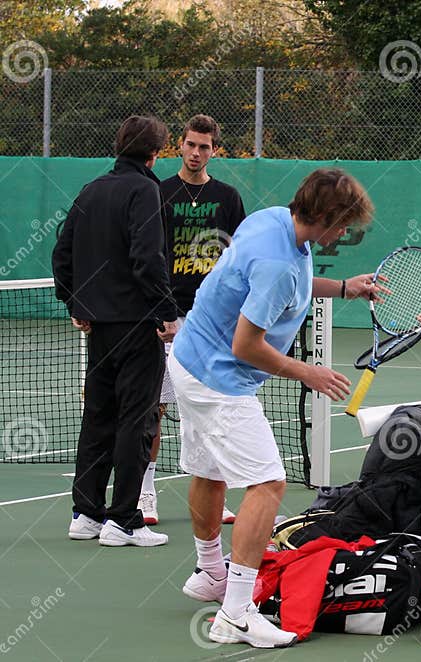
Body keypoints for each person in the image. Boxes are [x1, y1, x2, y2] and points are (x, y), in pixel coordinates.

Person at [170, 168, 378, 649]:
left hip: (186, 358)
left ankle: (209, 573)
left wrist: (345, 287)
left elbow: (295, 283)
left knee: (210, 469)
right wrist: (309, 372)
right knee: (268, 482)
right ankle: (235, 613)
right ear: (323, 216)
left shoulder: (271, 220)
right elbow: (247, 345)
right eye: (342, 224)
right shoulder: (277, 265)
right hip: (219, 379)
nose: (344, 233)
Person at [52, 115, 177, 547]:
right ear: (156, 153)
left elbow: (62, 252)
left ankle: (86, 514)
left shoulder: (92, 189)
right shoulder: (146, 189)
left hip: (99, 329)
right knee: (136, 421)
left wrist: (75, 302)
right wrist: (167, 314)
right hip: (138, 326)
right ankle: (124, 520)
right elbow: (148, 258)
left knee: (98, 416)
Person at [142, 114, 246, 526]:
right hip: (165, 316)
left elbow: (239, 256)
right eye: (190, 144)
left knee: (211, 410)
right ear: (179, 147)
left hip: (212, 322)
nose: (196, 152)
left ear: (214, 150)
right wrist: (158, 308)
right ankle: (144, 494)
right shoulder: (158, 192)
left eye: (205, 146)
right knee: (155, 407)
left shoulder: (228, 197)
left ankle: (215, 496)